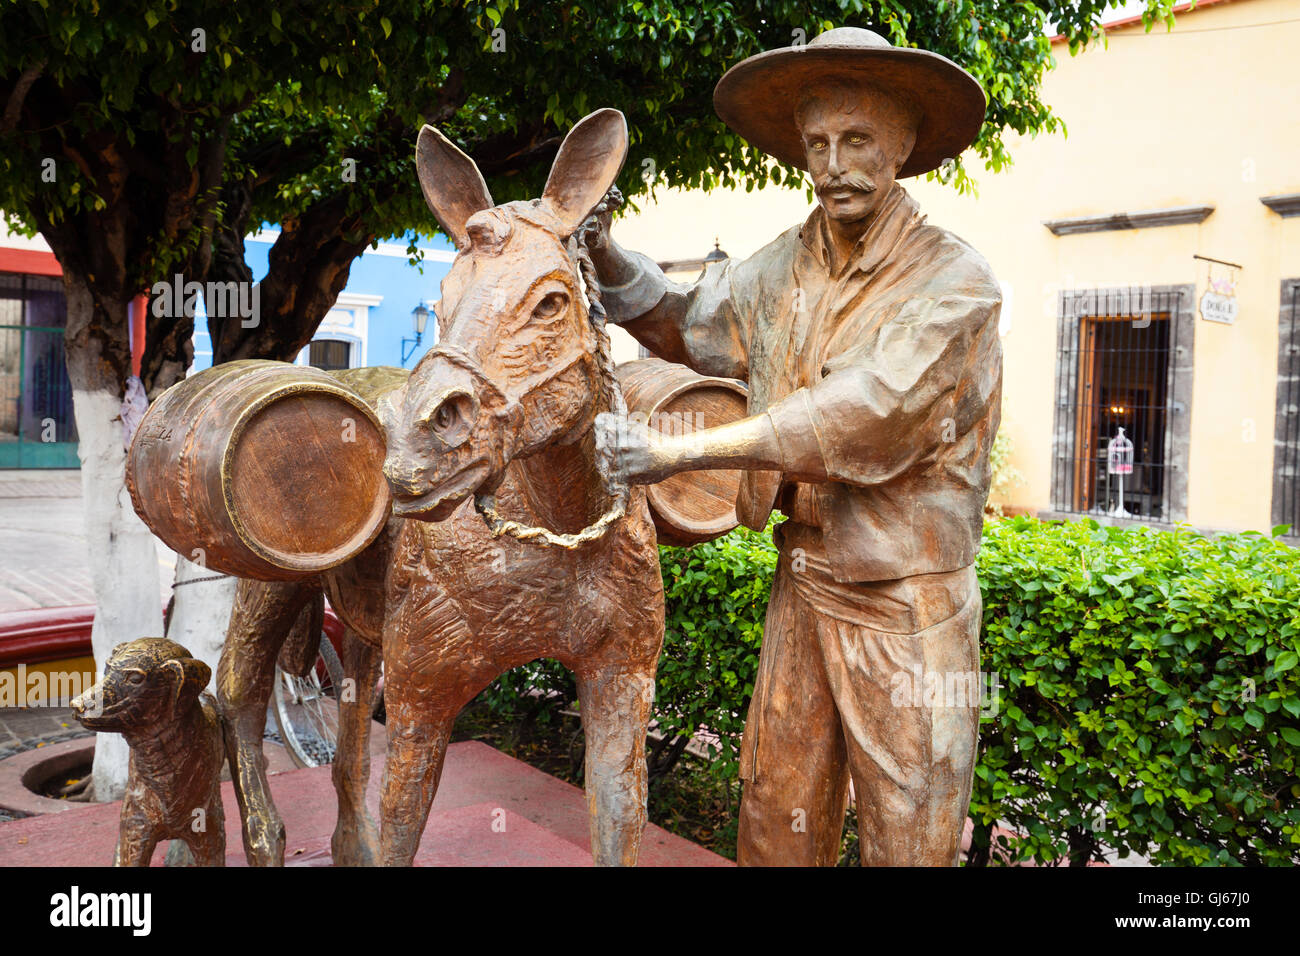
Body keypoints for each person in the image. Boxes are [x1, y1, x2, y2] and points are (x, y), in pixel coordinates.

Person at [589, 27, 1003, 865]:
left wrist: (680, 453)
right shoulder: (786, 261)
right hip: (805, 576)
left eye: (857, 142)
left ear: (903, 147)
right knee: (775, 804)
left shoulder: (956, 281)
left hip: (906, 598)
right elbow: (688, 321)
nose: (833, 164)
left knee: (909, 828)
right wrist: (605, 254)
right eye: (817, 144)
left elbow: (867, 411)